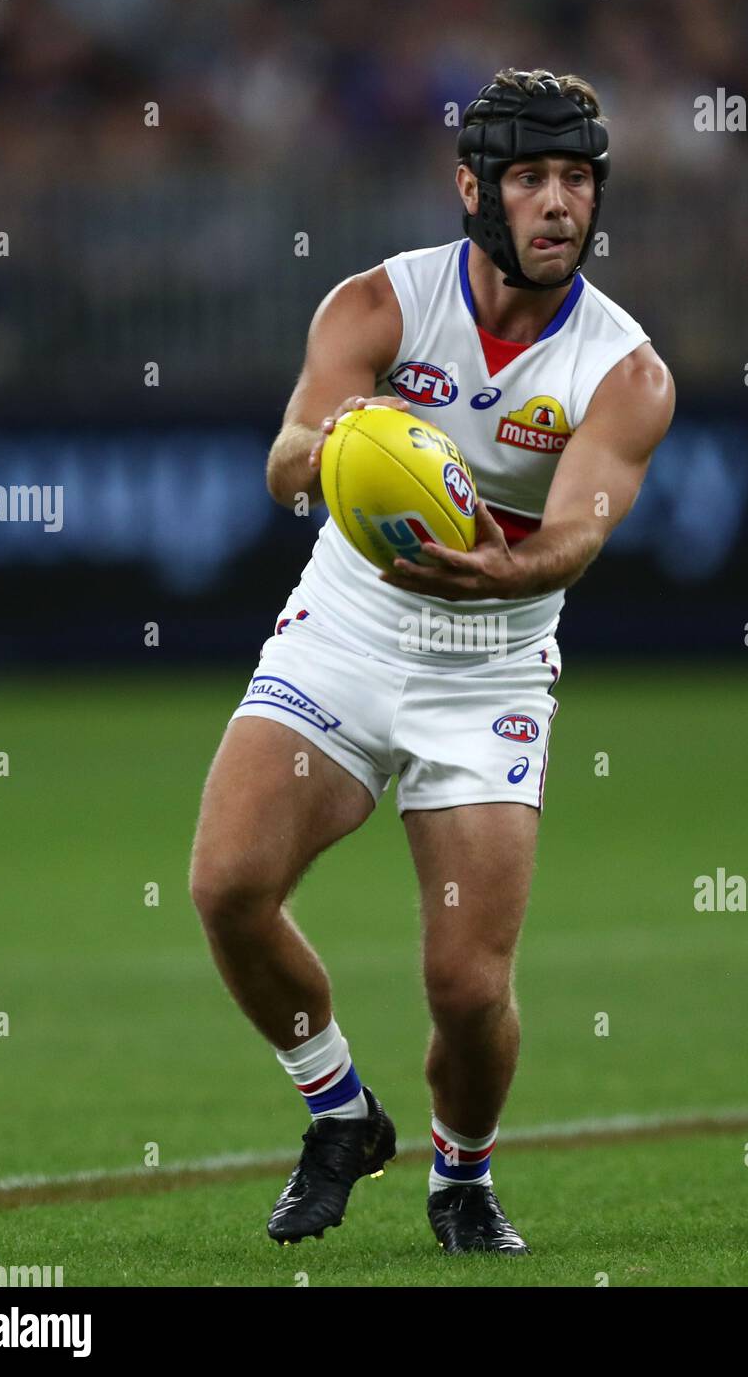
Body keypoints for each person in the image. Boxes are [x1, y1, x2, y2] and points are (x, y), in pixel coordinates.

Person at [189, 68, 674, 1255]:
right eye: (530, 178)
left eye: (577, 180)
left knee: (465, 987)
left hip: (491, 669)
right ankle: (338, 1110)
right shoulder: (378, 304)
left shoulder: (626, 372)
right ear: (472, 190)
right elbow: (288, 453)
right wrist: (340, 447)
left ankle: (461, 1177)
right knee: (226, 886)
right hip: (347, 633)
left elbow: (572, 536)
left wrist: (497, 574)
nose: (559, 203)